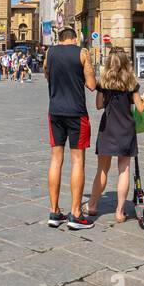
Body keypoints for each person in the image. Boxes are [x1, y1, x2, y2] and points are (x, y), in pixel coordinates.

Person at [84, 47, 144, 223]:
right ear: (125, 61)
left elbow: (99, 105)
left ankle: (92, 205)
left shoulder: (103, 82)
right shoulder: (131, 82)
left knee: (102, 170)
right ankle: (120, 212)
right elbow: (141, 109)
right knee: (124, 170)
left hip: (108, 129)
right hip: (126, 129)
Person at [44, 27, 97, 229]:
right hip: (76, 113)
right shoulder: (82, 53)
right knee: (77, 161)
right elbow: (91, 84)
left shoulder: (50, 52)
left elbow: (47, 75)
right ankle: (75, 214)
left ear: (60, 39)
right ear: (75, 39)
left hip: (55, 111)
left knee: (56, 160)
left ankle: (54, 211)